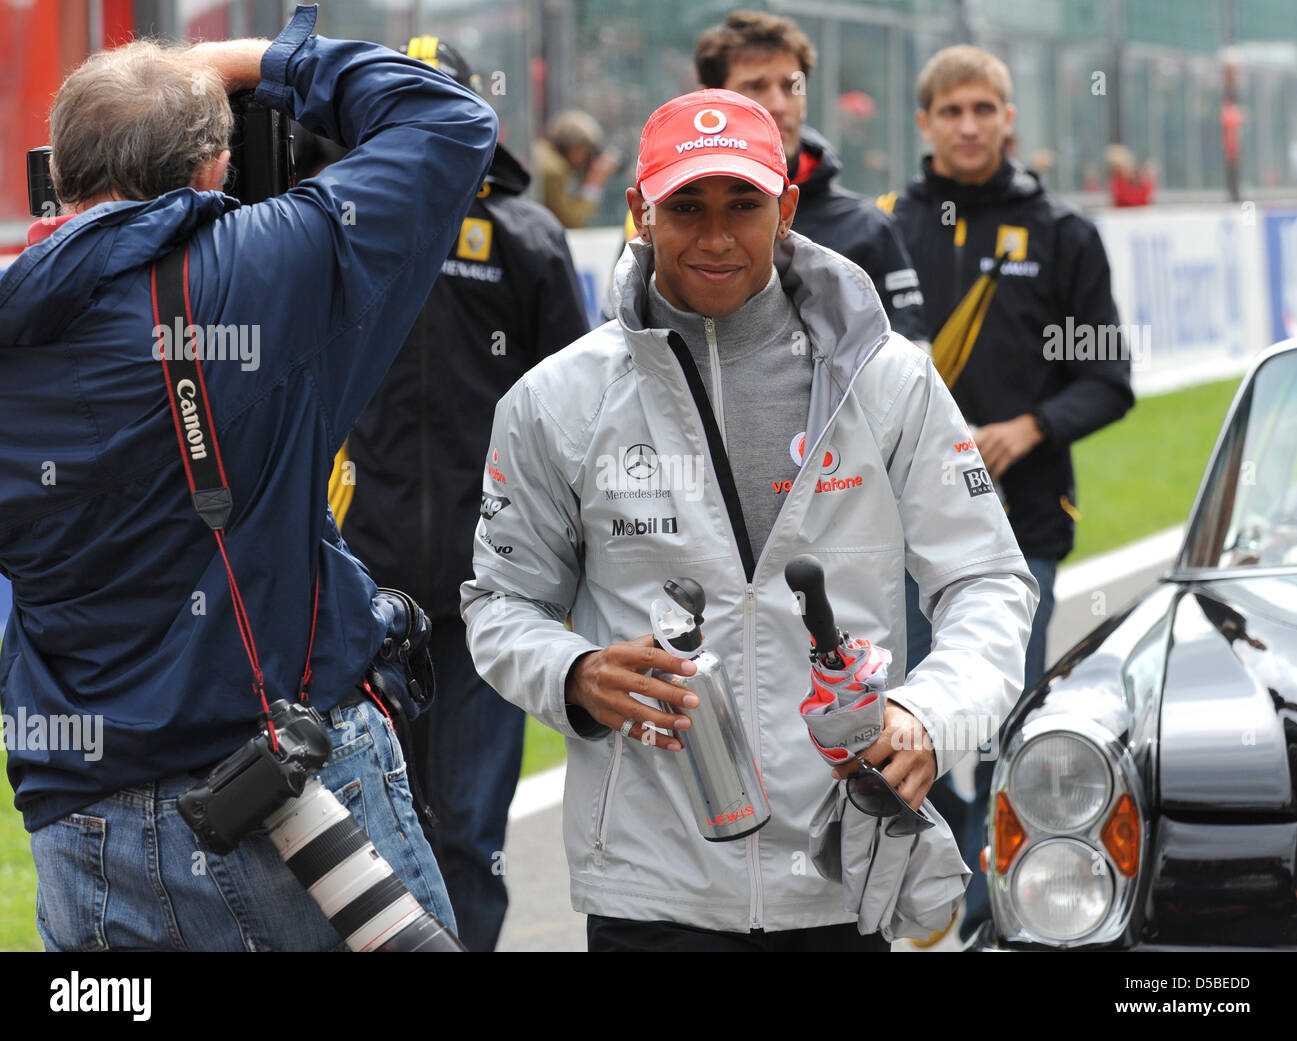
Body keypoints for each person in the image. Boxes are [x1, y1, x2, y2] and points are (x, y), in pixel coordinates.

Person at [461, 87, 1037, 951]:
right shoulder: (556, 399)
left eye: (744, 204)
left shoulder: (885, 378)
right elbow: (500, 603)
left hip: (844, 869)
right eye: (686, 205)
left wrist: (929, 712)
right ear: (639, 211)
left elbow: (986, 579)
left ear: (788, 205)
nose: (718, 235)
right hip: (653, 889)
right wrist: (575, 672)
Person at [0, 6, 497, 950]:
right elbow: (449, 120)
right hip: (292, 797)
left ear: (57, 175)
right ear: (216, 168)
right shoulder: (266, 263)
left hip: (80, 829)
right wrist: (261, 59)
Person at [331, 38, 589, 952]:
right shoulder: (337, 226)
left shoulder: (524, 236)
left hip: (494, 597)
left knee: (467, 830)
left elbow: (581, 409)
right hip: (360, 592)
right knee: (361, 829)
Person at [882, 44, 1134, 938]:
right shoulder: (886, 230)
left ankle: (1001, 912)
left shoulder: (1063, 233)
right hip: (894, 540)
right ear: (925, 124)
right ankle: (948, 854)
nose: (969, 125)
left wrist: (1028, 430)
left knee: (1004, 727)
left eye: (984, 108)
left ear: (1009, 117)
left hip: (1020, 531)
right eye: (951, 110)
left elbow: (1109, 379)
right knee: (908, 727)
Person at [694, 10, 929, 345]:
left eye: (791, 87)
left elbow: (907, 376)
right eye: (756, 86)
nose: (778, 104)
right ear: (707, 101)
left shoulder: (867, 227)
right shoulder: (664, 218)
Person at [534, 110, 621, 229]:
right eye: (587, 152)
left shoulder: (547, 155)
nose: (587, 160)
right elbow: (571, 222)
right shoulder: (554, 171)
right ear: (577, 148)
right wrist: (594, 182)